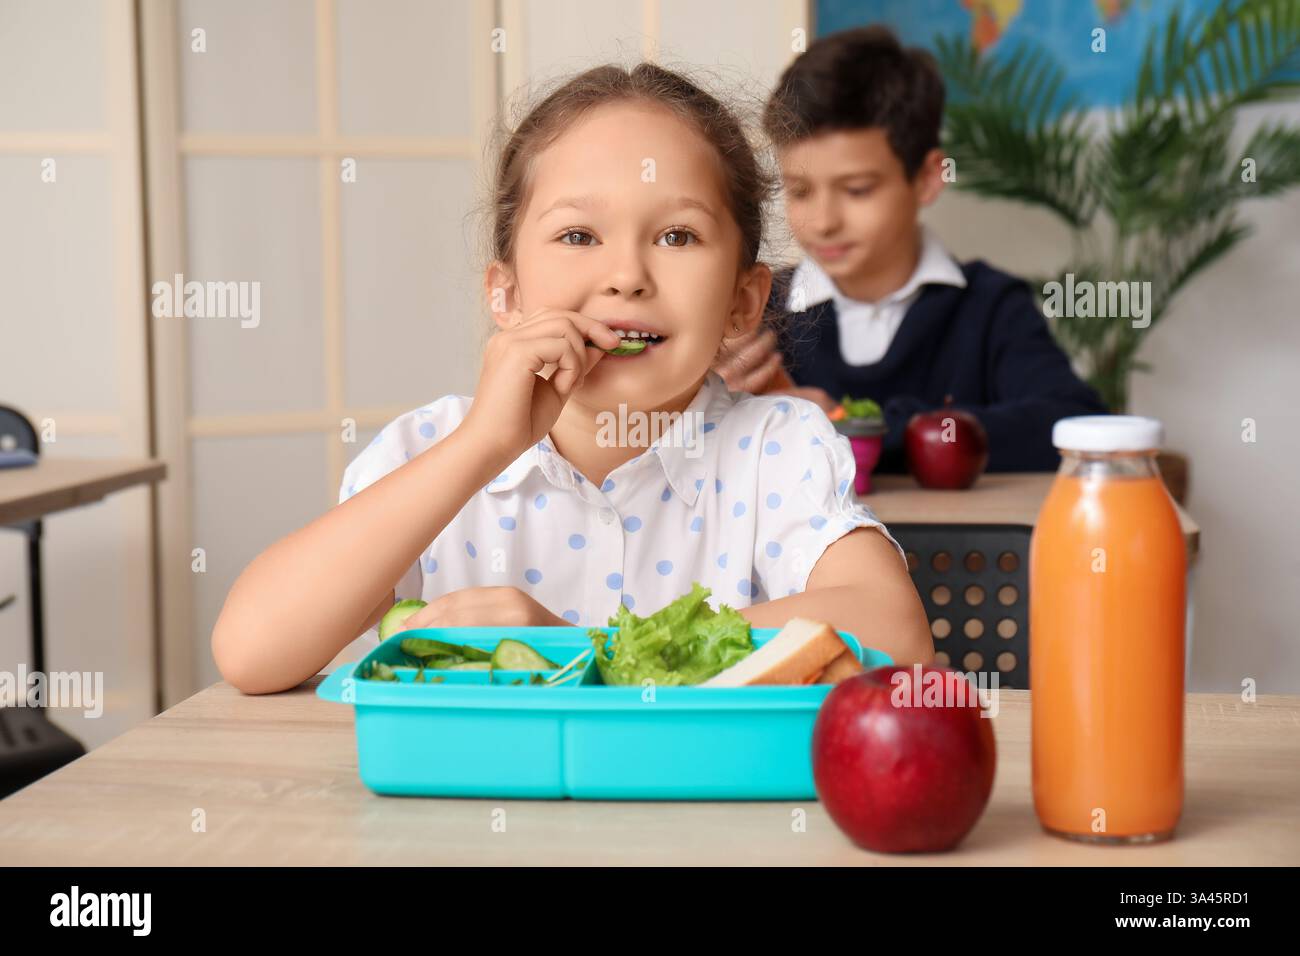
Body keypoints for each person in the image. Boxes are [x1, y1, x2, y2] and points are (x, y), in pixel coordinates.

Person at [211, 62, 932, 694]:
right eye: (578, 236)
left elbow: (895, 633)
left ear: (744, 301)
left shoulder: (775, 448)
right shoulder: (428, 450)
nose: (625, 277)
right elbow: (251, 652)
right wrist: (482, 447)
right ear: (507, 294)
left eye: (677, 236)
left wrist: (589, 654)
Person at [713, 26, 1107, 473]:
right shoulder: (756, 311)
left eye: (857, 190)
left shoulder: (989, 307)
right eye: (799, 191)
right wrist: (706, 410)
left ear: (927, 177)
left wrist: (855, 426)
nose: (823, 222)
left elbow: (1074, 424)